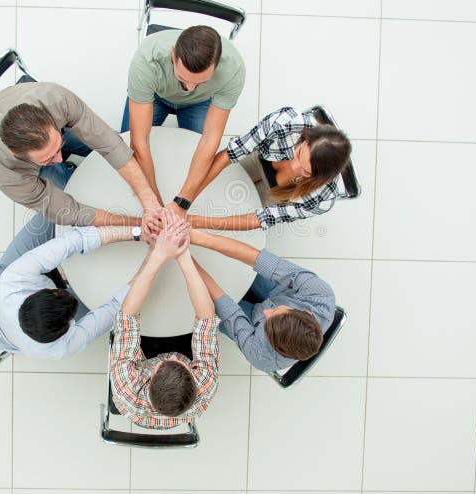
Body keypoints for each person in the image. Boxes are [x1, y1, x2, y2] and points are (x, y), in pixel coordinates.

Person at [0, 81, 160, 226]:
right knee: (70, 186)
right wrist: (134, 223)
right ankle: (56, 163)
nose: (60, 157)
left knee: (110, 144)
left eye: (58, 147)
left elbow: (111, 145)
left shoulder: (56, 100)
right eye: (49, 158)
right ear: (17, 154)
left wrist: (150, 203)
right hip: (2, 151)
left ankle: (53, 149)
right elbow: (69, 211)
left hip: (14, 101)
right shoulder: (7, 173)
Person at [0, 212, 147, 359]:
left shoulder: (13, 280)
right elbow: (115, 308)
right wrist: (151, 261)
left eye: (58, 291)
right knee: (101, 297)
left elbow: (74, 240)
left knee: (51, 214)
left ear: (32, 294)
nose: (62, 289)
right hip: (8, 338)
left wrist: (138, 232)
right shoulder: (61, 347)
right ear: (66, 328)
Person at [110, 210, 219, 430]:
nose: (174, 357)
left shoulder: (126, 384)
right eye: (183, 363)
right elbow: (207, 320)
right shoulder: (206, 384)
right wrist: (183, 253)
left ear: (150, 375)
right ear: (193, 376)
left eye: (170, 361)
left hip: (135, 378)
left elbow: (127, 317)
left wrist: (159, 254)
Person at [122, 25, 245, 219]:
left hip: (200, 102)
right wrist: (155, 205)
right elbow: (139, 141)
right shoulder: (146, 61)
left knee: (196, 159)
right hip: (155, 95)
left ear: (217, 66)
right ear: (173, 54)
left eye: (199, 82)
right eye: (182, 78)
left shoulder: (233, 69)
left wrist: (182, 202)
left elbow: (210, 139)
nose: (189, 88)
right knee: (125, 153)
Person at [189, 228, 335, 372]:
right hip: (276, 292)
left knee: (210, 311)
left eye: (268, 323)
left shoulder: (261, 356)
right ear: (307, 312)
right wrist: (197, 237)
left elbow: (229, 312)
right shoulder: (321, 295)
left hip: (252, 322)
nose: (265, 312)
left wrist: (187, 259)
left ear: (273, 343)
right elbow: (260, 260)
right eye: (275, 311)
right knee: (245, 267)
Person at [187, 106, 352, 231]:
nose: (294, 167)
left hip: (275, 195)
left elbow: (263, 218)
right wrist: (186, 200)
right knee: (214, 188)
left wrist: (197, 222)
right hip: (257, 158)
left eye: (306, 171)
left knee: (226, 214)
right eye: (299, 154)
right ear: (304, 138)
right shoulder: (286, 122)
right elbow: (232, 153)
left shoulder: (323, 199)